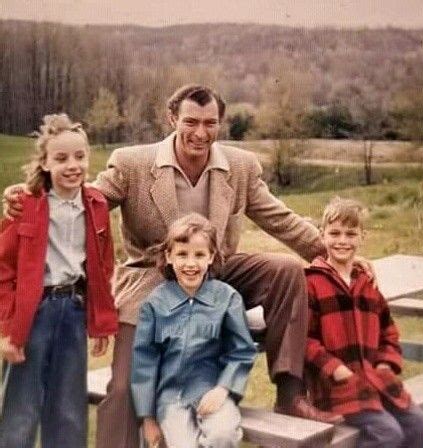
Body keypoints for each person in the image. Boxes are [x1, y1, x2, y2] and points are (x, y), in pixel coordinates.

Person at [4, 85, 354, 448]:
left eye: (209, 123)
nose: (200, 133)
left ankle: (291, 395)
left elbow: (280, 218)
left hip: (216, 269)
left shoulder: (240, 166)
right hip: (150, 277)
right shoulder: (132, 164)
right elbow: (85, 199)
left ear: (220, 123)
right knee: (125, 387)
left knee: (286, 270)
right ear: (172, 119)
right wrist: (30, 196)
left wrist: (337, 257)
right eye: (191, 122)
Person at [0, 114, 118, 448]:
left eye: (80, 156)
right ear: (45, 163)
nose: (72, 166)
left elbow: (103, 267)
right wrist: (7, 329)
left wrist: (101, 322)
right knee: (21, 405)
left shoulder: (96, 205)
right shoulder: (26, 204)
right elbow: (3, 269)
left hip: (74, 311)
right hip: (33, 313)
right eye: (61, 158)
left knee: (68, 407)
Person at [304, 197, 423, 447]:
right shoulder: (312, 282)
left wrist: (386, 364)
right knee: (387, 434)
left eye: (350, 234)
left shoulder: (367, 284)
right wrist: (336, 369)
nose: (342, 241)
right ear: (322, 235)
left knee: (422, 426)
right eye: (334, 233)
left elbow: (388, 332)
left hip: (377, 381)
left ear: (362, 237)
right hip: (338, 389)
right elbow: (305, 341)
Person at [131, 213, 256, 448]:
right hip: (171, 399)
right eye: (182, 254)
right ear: (169, 257)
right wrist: (147, 418)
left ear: (211, 257)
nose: (191, 264)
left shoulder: (227, 298)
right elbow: (144, 363)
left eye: (199, 255)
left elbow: (242, 351)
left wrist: (223, 389)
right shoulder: (155, 304)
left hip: (212, 391)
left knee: (223, 436)